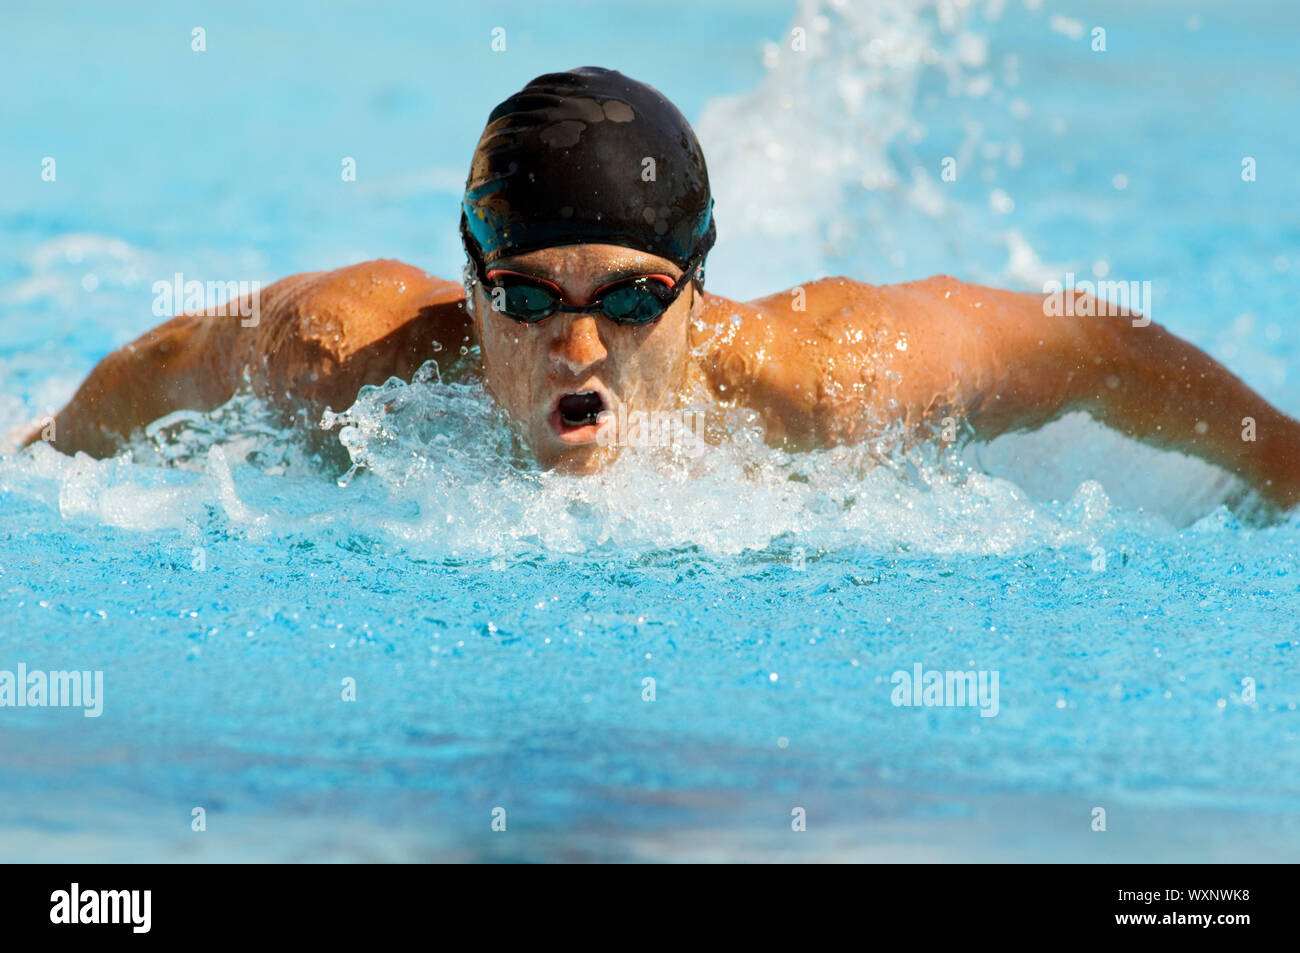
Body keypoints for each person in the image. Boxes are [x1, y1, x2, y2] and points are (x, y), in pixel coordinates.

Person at [27, 67, 1300, 506]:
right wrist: (39, 458)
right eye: (528, 298)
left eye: (629, 298)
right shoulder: (340, 358)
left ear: (697, 289)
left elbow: (1092, 346)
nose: (577, 343)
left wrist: (1283, 463)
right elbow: (156, 369)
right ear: (468, 292)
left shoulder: (831, 380)